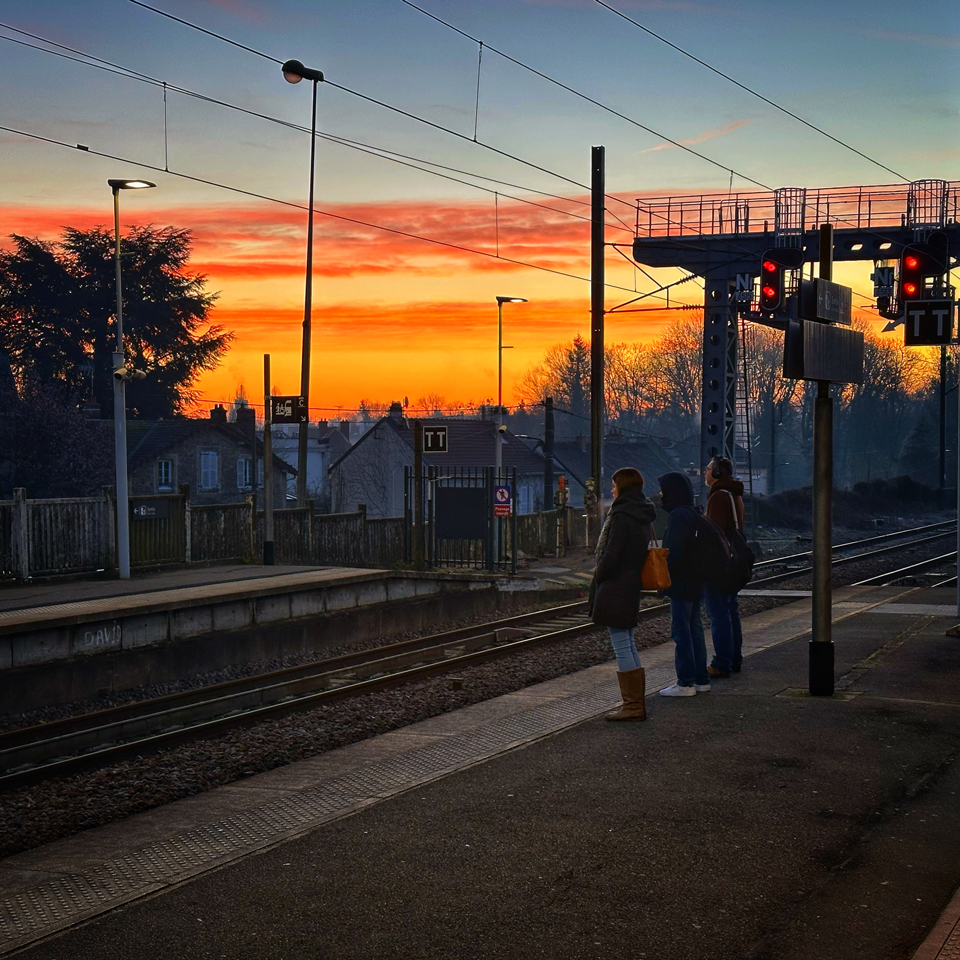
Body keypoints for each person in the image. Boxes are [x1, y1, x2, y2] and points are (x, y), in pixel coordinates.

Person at [589, 467, 657, 721]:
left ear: (624, 487)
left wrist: (599, 573)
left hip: (616, 586)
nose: (611, 489)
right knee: (628, 642)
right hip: (630, 583)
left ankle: (632, 706)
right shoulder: (641, 514)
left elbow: (611, 554)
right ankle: (635, 702)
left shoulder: (621, 515)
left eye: (615, 485)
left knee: (621, 646)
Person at [656, 471, 710, 697]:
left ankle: (685, 682)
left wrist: (664, 577)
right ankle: (700, 679)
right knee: (695, 629)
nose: (660, 495)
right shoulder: (693, 512)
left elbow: (675, 552)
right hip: (696, 579)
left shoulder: (678, 516)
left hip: (682, 582)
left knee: (681, 631)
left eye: (664, 490)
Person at [703, 456, 745, 678]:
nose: (705, 472)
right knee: (730, 611)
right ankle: (734, 659)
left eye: (708, 468)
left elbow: (715, 533)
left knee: (719, 613)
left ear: (718, 473)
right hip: (734, 561)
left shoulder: (718, 496)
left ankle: (721, 663)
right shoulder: (733, 494)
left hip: (720, 564)